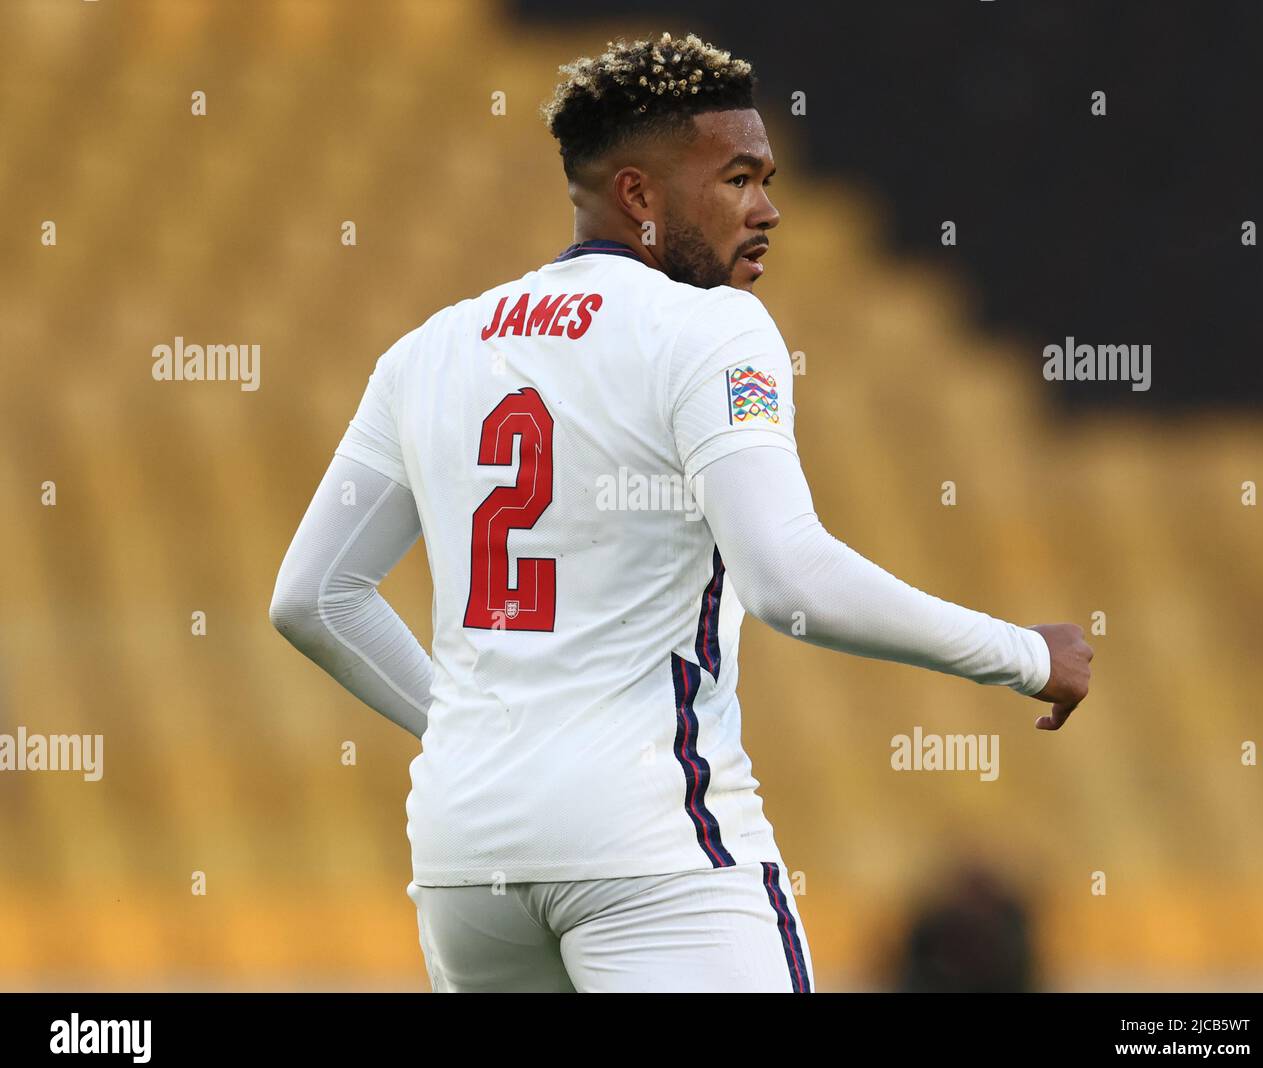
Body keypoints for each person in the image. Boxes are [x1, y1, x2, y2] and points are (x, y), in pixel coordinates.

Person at [269, 31, 1092, 993]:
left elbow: (314, 597)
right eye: (738, 178)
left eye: (769, 178)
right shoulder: (711, 326)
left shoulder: (429, 349)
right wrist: (1024, 654)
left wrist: (468, 732)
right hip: (650, 844)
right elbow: (789, 583)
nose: (769, 209)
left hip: (466, 860)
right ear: (640, 196)